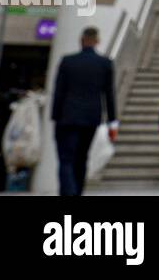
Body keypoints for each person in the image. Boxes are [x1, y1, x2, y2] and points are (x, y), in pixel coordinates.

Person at [50, 27, 118, 196]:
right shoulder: (105, 63)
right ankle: (77, 191)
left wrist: (55, 116)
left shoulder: (67, 61)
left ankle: (69, 192)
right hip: (91, 118)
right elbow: (109, 94)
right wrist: (112, 122)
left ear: (81, 40)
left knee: (66, 159)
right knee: (82, 157)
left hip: (67, 118)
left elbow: (59, 92)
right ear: (97, 41)